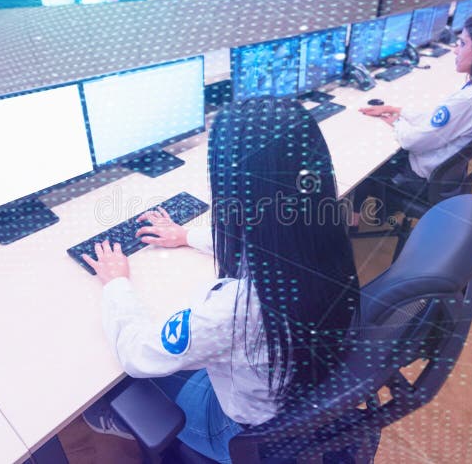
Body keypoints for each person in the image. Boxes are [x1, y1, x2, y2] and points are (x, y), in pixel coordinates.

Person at [82, 96, 360, 463]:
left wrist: (117, 284)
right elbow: (272, 242)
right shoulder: (323, 234)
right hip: (297, 395)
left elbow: (137, 353)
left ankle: (130, 427)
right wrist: (187, 237)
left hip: (240, 432)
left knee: (114, 383)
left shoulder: (233, 309)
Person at [350, 10, 472, 228]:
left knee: (365, 167)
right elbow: (438, 120)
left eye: (462, 43)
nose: (455, 50)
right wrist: (398, 110)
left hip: (419, 177)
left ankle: (349, 230)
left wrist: (395, 122)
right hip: (444, 174)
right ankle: (379, 213)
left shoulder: (471, 99)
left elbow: (413, 141)